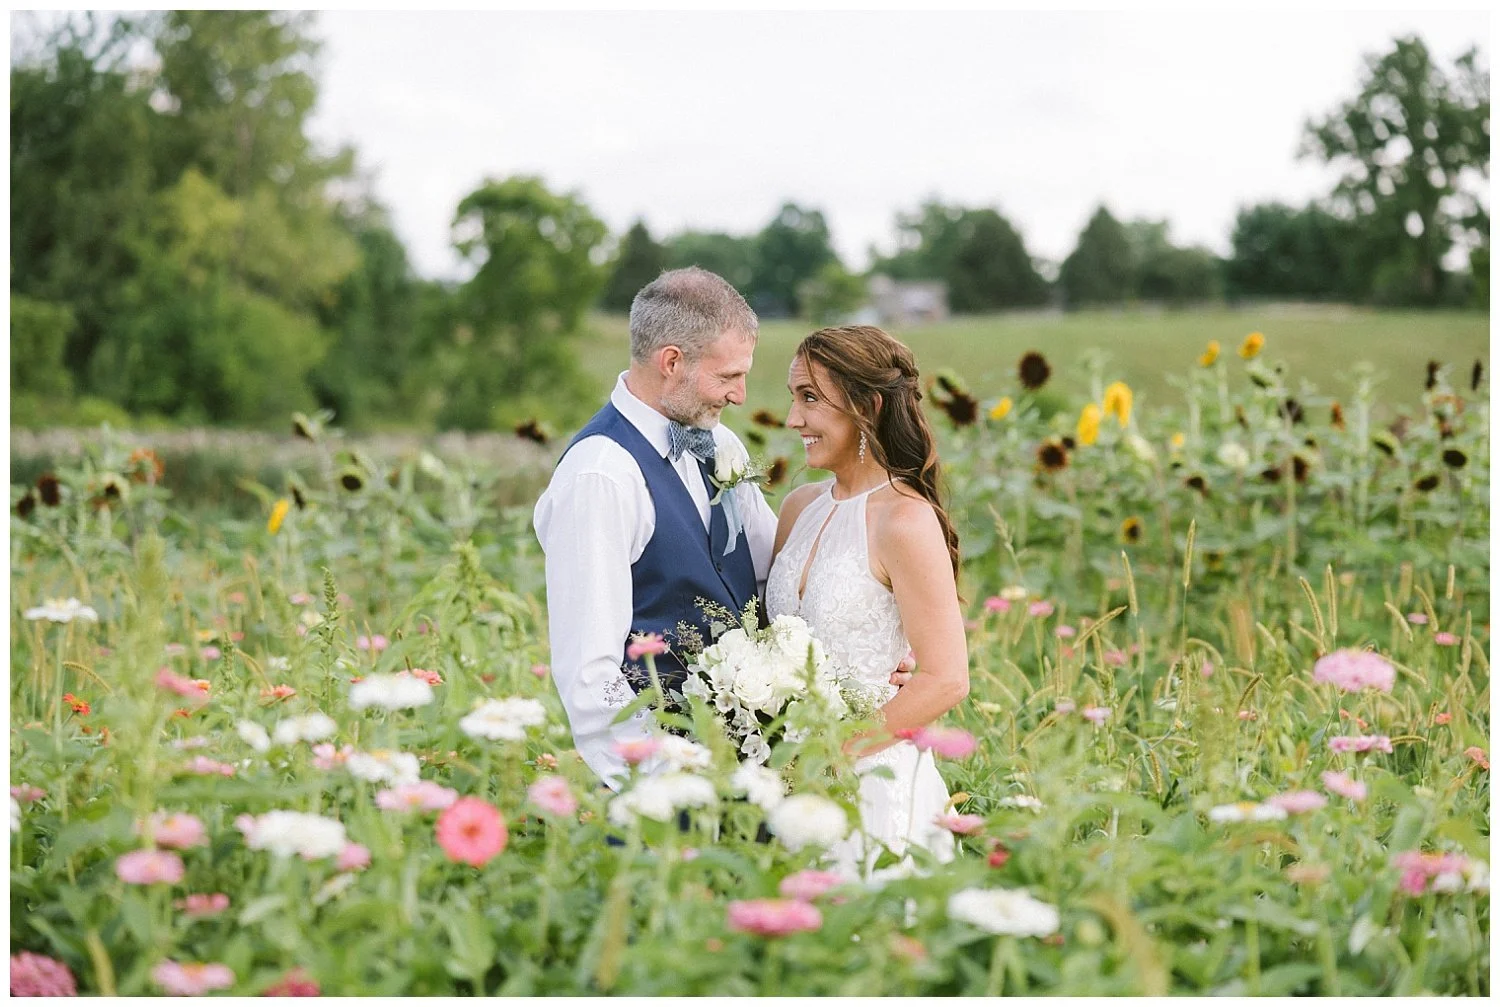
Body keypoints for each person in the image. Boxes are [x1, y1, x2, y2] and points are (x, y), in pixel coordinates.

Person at [533, 267, 778, 790]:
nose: (740, 395)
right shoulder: (599, 475)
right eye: (728, 376)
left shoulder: (723, 446)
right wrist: (668, 781)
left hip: (755, 772)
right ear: (672, 362)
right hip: (664, 787)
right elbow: (590, 676)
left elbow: (771, 575)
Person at [765, 324, 970, 880]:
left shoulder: (904, 519)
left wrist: (831, 760)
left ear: (868, 406)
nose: (792, 419)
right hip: (789, 780)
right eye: (793, 397)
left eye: (810, 397)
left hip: (871, 781)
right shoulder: (798, 507)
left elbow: (946, 678)